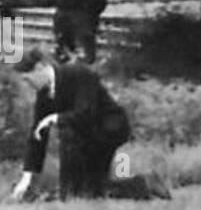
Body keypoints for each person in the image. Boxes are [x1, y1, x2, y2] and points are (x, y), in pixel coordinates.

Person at [10, 48, 167, 201]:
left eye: (27, 79)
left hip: (108, 130)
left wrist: (56, 118)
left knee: (67, 133)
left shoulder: (79, 74)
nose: (27, 84)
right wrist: (27, 177)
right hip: (84, 135)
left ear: (39, 68)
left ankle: (68, 194)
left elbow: (86, 112)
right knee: (93, 192)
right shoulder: (44, 95)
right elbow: (37, 134)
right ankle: (145, 184)